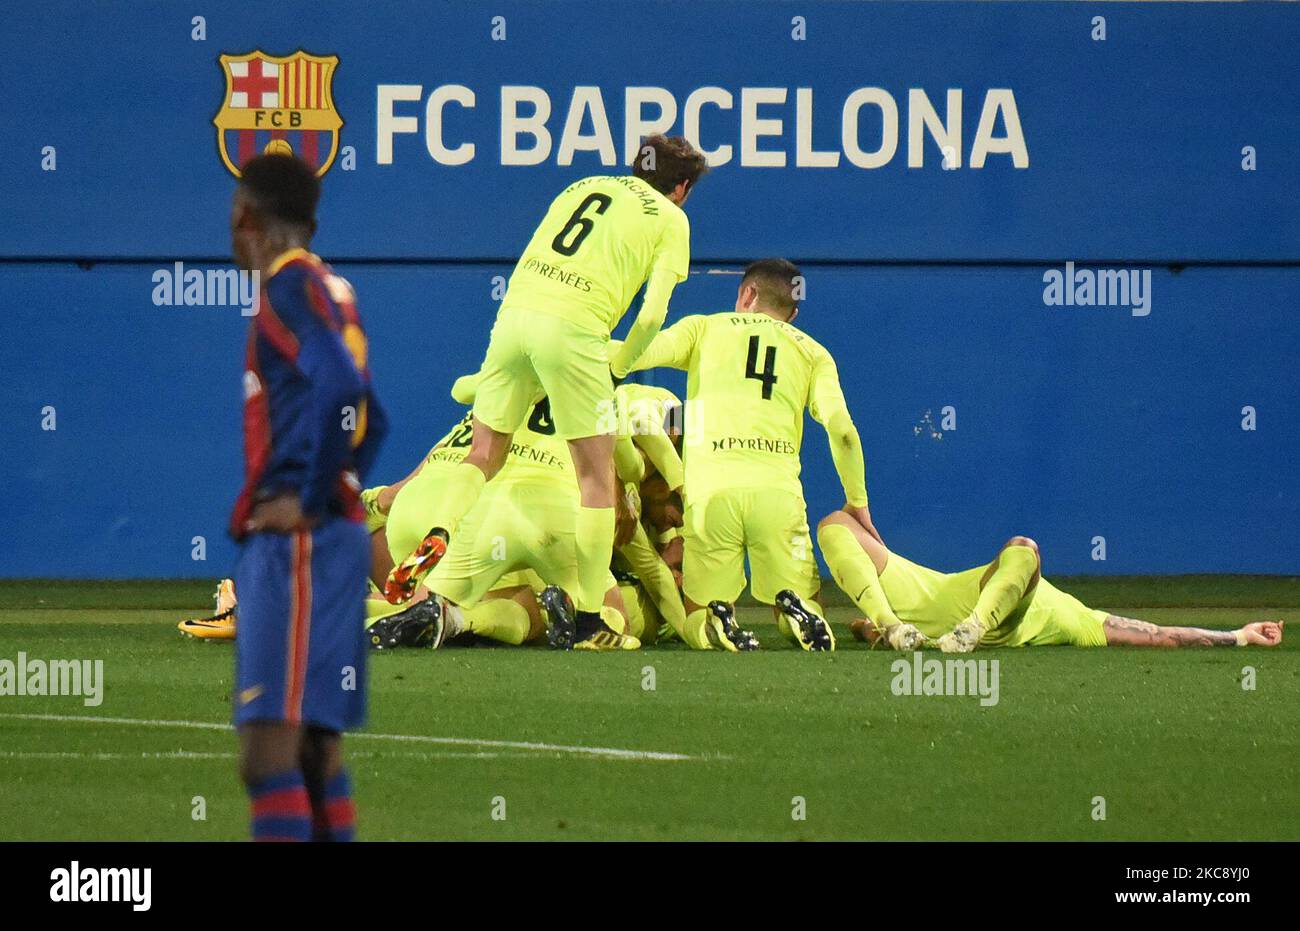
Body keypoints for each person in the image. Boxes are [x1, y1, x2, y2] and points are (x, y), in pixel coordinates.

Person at [388, 136, 707, 650]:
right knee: (593, 480)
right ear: (682, 188)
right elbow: (651, 315)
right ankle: (586, 618)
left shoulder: (581, 185)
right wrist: (620, 364)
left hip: (515, 316)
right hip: (577, 330)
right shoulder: (672, 219)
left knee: (484, 453)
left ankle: (442, 530)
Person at [228, 153, 387, 841]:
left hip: (300, 542)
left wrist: (312, 498)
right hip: (336, 538)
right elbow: (371, 416)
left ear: (247, 218)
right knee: (317, 750)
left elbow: (344, 391)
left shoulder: (289, 289)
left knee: (268, 751)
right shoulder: (333, 287)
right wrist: (345, 492)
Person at [625, 259, 873, 652]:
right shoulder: (813, 353)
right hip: (777, 497)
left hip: (711, 498)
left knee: (697, 615)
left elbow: (634, 355)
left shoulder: (703, 327)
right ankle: (798, 614)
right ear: (793, 314)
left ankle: (716, 619)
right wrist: (857, 502)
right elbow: (843, 430)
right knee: (804, 601)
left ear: (747, 294)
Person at [817, 510, 1286, 651]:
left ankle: (965, 626)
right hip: (929, 603)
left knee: (1024, 544)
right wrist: (1237, 638)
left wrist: (1238, 636)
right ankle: (903, 626)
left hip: (936, 610)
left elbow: (1159, 635)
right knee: (835, 522)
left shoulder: (1069, 613)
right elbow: (1159, 635)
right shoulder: (1070, 615)